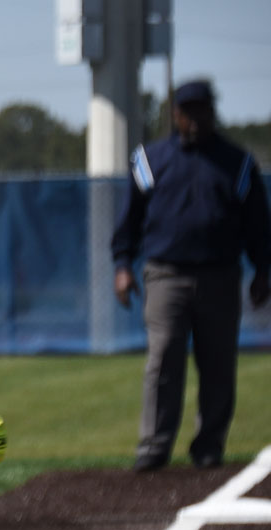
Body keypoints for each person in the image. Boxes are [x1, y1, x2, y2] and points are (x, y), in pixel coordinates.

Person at [112, 78, 271, 472]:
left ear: (212, 112)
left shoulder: (238, 163)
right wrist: (122, 265)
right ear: (176, 114)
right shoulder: (150, 159)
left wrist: (263, 270)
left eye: (203, 109)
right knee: (163, 357)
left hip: (220, 275)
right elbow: (129, 220)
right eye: (189, 110)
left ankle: (209, 444)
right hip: (166, 274)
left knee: (217, 363)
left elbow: (258, 225)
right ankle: (154, 445)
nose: (196, 118)